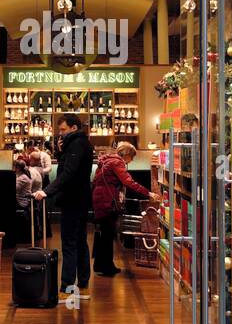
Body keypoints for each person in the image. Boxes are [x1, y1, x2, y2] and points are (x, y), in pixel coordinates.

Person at [33, 114, 93, 293]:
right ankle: (83, 279)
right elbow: (70, 168)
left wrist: (47, 191)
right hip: (81, 198)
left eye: (63, 130)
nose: (60, 133)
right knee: (80, 240)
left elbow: (68, 173)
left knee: (69, 242)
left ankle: (67, 283)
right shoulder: (81, 143)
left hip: (72, 199)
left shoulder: (76, 144)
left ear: (74, 128)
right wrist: (60, 152)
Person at [90, 141, 160, 277]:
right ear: (127, 154)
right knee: (108, 234)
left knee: (103, 233)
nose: (131, 160)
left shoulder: (106, 160)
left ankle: (101, 264)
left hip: (99, 199)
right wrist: (148, 193)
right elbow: (128, 181)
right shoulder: (117, 162)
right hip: (107, 200)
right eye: (132, 157)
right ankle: (106, 267)